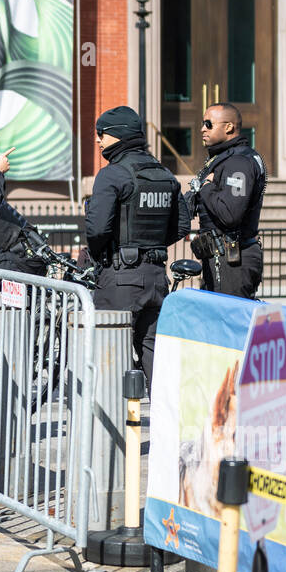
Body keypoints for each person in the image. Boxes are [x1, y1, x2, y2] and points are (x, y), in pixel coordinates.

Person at [85, 106, 188, 382]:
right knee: (154, 355)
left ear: (118, 135)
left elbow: (97, 231)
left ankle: (112, 425)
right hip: (156, 278)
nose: (98, 140)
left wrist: (107, 256)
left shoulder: (112, 174)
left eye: (102, 134)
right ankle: (165, 424)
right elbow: (181, 225)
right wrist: (149, 247)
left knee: (110, 356)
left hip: (119, 278)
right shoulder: (165, 174)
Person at [186, 102, 266, 298]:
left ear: (228, 127)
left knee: (229, 325)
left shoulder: (239, 161)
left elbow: (230, 213)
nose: (202, 129)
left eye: (208, 124)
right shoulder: (223, 158)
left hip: (232, 260)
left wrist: (206, 188)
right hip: (218, 257)